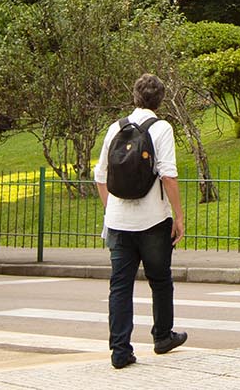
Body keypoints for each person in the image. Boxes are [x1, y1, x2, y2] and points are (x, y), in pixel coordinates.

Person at [93, 73, 187, 370]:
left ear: (134, 96)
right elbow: (168, 175)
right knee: (160, 280)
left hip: (119, 222)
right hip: (153, 221)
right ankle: (162, 336)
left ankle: (120, 351)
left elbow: (99, 175)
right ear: (160, 99)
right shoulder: (162, 128)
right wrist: (179, 216)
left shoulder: (115, 128)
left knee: (120, 286)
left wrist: (111, 210)